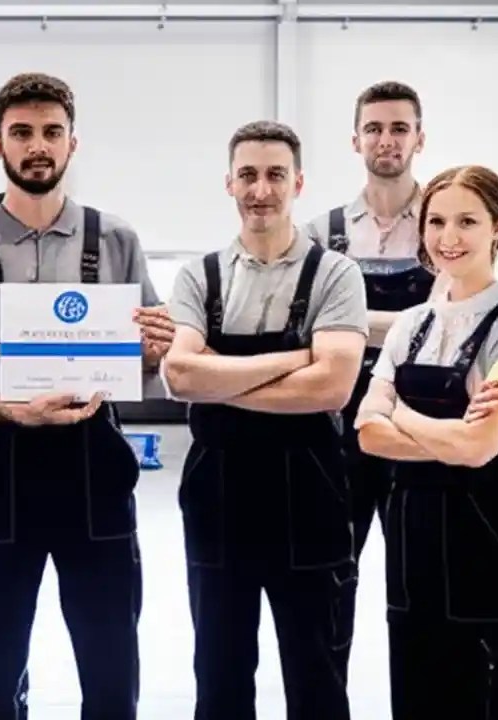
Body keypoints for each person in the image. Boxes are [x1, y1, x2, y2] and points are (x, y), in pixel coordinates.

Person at [0, 71, 173, 720]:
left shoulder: (115, 241)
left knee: (112, 662)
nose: (38, 146)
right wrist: (8, 409)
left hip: (95, 474)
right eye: (22, 132)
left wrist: (154, 350)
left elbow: (145, 368)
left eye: (51, 132)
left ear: (72, 143)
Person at [162, 120, 367, 720]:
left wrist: (220, 380)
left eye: (275, 174)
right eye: (248, 175)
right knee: (220, 676)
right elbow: (180, 377)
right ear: (229, 183)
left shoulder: (334, 274)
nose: (261, 189)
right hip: (216, 497)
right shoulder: (200, 275)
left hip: (312, 496)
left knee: (317, 675)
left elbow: (332, 386)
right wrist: (296, 360)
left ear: (297, 182)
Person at [354, 165, 498, 719]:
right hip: (411, 537)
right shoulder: (408, 324)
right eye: (436, 221)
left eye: (467, 221)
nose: (448, 237)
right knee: (420, 693)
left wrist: (401, 411)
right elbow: (368, 434)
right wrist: (447, 430)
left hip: (485, 533)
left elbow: (479, 449)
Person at [303, 80, 438, 563]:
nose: (387, 140)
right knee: (331, 574)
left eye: (400, 128)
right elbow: (309, 331)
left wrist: (349, 325)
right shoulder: (322, 234)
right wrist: (417, 323)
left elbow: (462, 322)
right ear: (355, 139)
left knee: (423, 576)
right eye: (374, 128)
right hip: (339, 425)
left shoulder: (445, 221)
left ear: (420, 138)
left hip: (425, 420)